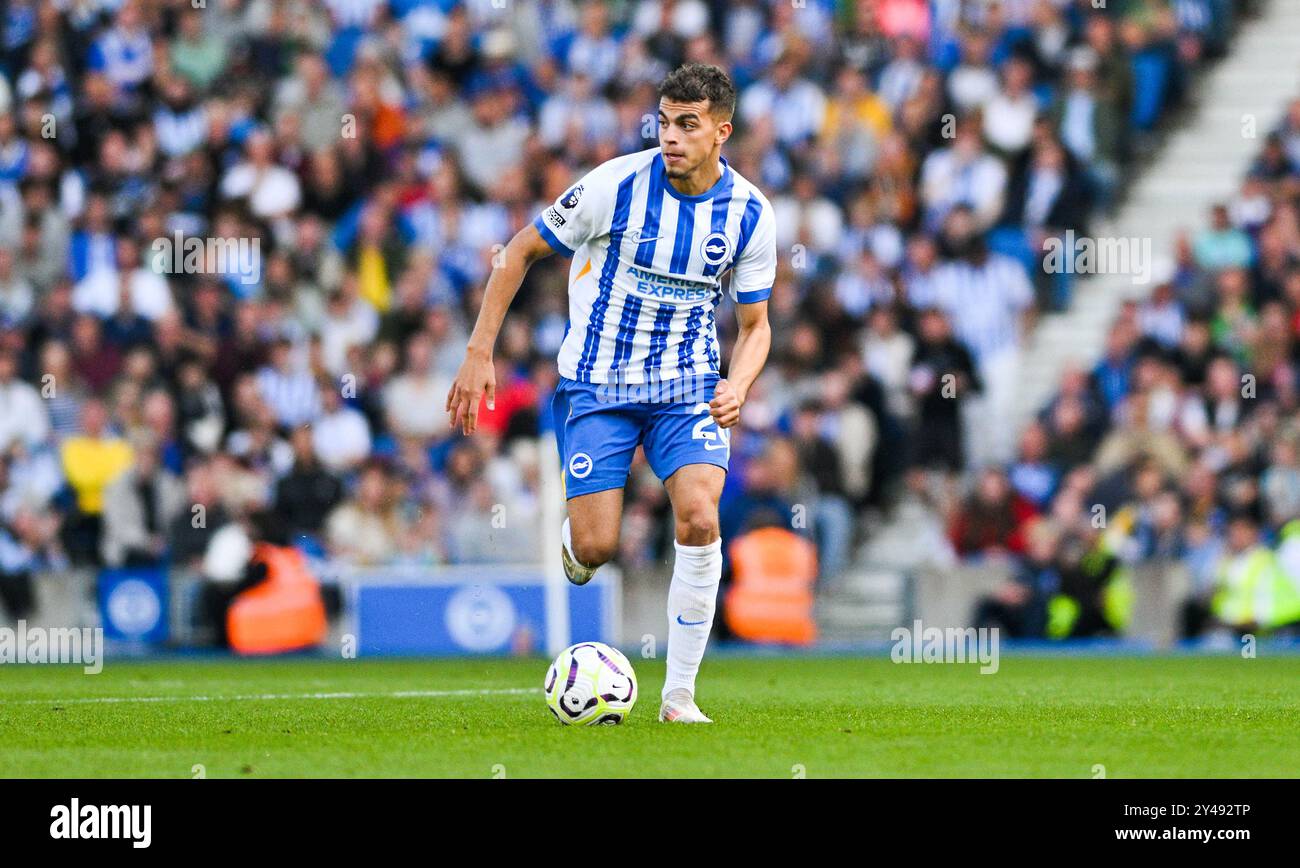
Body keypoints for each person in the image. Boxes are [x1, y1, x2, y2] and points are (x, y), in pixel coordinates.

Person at [447, 64, 775, 724]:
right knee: (597, 547)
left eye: (688, 124)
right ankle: (576, 546)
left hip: (687, 389)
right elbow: (515, 253)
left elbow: (756, 326)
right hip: (599, 385)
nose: (671, 136)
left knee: (701, 517)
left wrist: (738, 384)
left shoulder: (749, 214)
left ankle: (678, 696)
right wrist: (479, 349)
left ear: (721, 132)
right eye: (664, 121)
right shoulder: (615, 186)